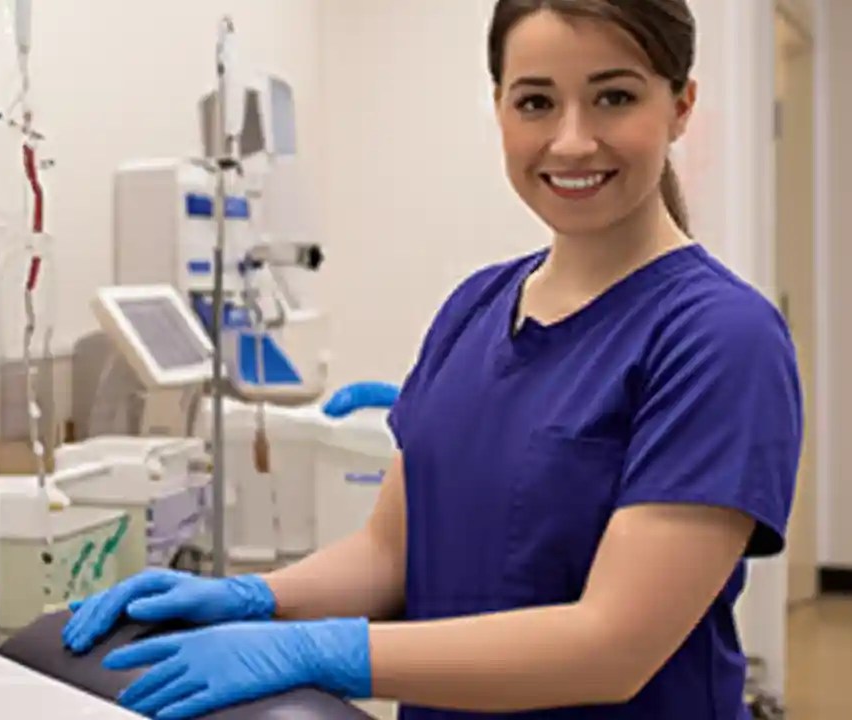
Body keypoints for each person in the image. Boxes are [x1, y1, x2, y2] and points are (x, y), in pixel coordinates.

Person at [63, 1, 803, 718]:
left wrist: (325, 652)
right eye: (536, 102)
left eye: (614, 96)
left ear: (680, 106)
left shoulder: (720, 339)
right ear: (500, 109)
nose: (572, 141)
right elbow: (389, 556)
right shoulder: (476, 308)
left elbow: (612, 646)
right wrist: (259, 598)